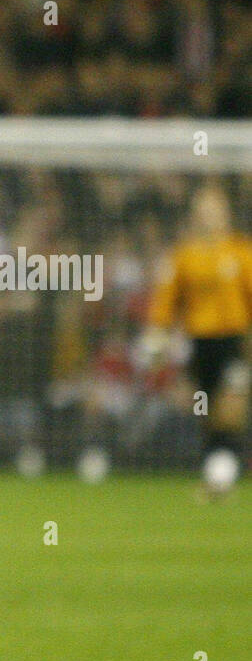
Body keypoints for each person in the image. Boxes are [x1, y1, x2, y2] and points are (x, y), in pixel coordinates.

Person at [143, 183, 252, 498]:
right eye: (203, 209)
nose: (209, 216)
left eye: (215, 209)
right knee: (206, 413)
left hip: (234, 341)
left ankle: (222, 476)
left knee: (230, 408)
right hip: (199, 344)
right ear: (195, 214)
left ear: (226, 214)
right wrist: (157, 338)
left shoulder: (241, 252)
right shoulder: (183, 256)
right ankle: (218, 475)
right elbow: (166, 303)